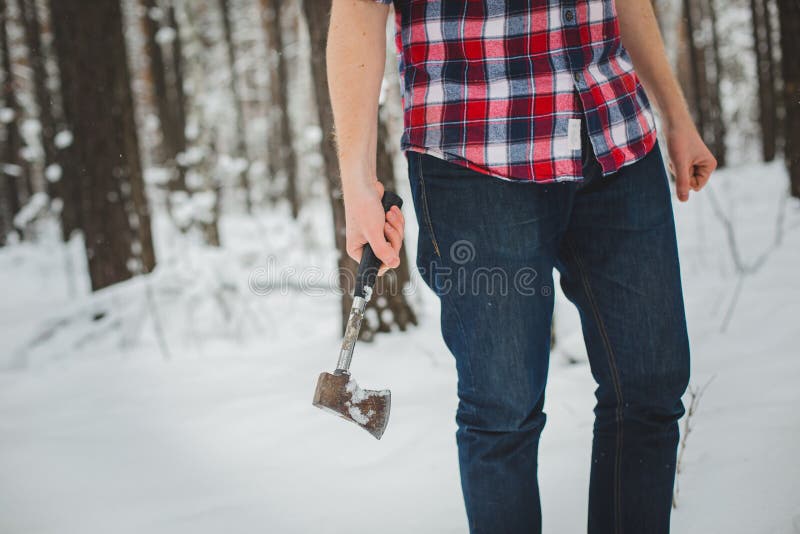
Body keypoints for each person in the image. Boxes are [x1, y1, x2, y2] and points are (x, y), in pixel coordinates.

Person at [327, 1, 717, 532]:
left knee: (650, 391)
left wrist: (675, 113)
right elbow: (358, 10)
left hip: (616, 132)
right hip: (475, 153)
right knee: (502, 412)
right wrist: (356, 181)